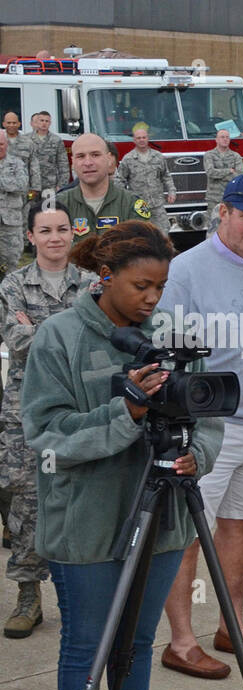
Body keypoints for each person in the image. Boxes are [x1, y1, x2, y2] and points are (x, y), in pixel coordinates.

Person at [22, 221, 224, 690]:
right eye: (141, 286)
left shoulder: (168, 336)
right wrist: (127, 411)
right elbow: (47, 436)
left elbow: (206, 410)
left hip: (161, 519)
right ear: (105, 278)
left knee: (136, 649)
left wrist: (199, 456)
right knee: (87, 651)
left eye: (161, 287)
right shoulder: (58, 339)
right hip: (86, 525)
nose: (152, 300)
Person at [160, 174, 243, 678]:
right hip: (210, 428)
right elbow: (169, 349)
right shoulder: (187, 270)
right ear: (223, 212)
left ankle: (231, 624)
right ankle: (181, 640)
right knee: (190, 532)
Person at [0, 203, 97, 638]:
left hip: (81, 407)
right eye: (45, 230)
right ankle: (27, 595)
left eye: (62, 229)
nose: (55, 237)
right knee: (25, 497)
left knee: (81, 493)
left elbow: (101, 338)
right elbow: (18, 342)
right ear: (31, 236)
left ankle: (77, 592)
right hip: (26, 409)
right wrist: (68, 330)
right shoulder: (13, 285)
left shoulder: (93, 283)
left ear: (72, 234)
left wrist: (40, 328)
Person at [59, 134, 152, 246]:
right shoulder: (58, 205)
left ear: (109, 159)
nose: (88, 163)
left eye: (95, 155)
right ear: (73, 162)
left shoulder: (131, 205)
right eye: (81, 156)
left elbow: (142, 250)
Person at [115, 123, 176, 230]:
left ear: (148, 139)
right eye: (138, 138)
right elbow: (119, 181)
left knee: (164, 232)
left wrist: (171, 191)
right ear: (134, 140)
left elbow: (166, 176)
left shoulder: (158, 157)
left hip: (157, 204)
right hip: (139, 206)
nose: (141, 140)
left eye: (144, 137)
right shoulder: (128, 159)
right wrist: (125, 200)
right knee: (140, 235)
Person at [202, 129, 243, 230]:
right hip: (214, 198)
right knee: (213, 227)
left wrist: (220, 173)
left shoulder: (235, 156)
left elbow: (239, 176)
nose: (225, 139)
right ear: (216, 140)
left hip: (230, 198)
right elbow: (210, 172)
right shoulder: (209, 155)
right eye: (222, 137)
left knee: (231, 227)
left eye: (227, 137)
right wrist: (229, 171)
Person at [0, 133, 27, 275]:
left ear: (7, 145)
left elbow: (22, 185)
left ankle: (8, 295)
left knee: (11, 262)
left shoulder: (17, 163)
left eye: (1, 144)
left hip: (10, 223)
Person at [28, 111, 70, 197]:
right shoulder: (26, 139)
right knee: (29, 209)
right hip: (30, 186)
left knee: (48, 210)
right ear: (37, 122)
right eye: (42, 120)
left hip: (50, 186)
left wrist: (61, 186)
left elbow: (63, 165)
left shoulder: (56, 140)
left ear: (50, 123)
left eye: (47, 121)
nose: (44, 123)